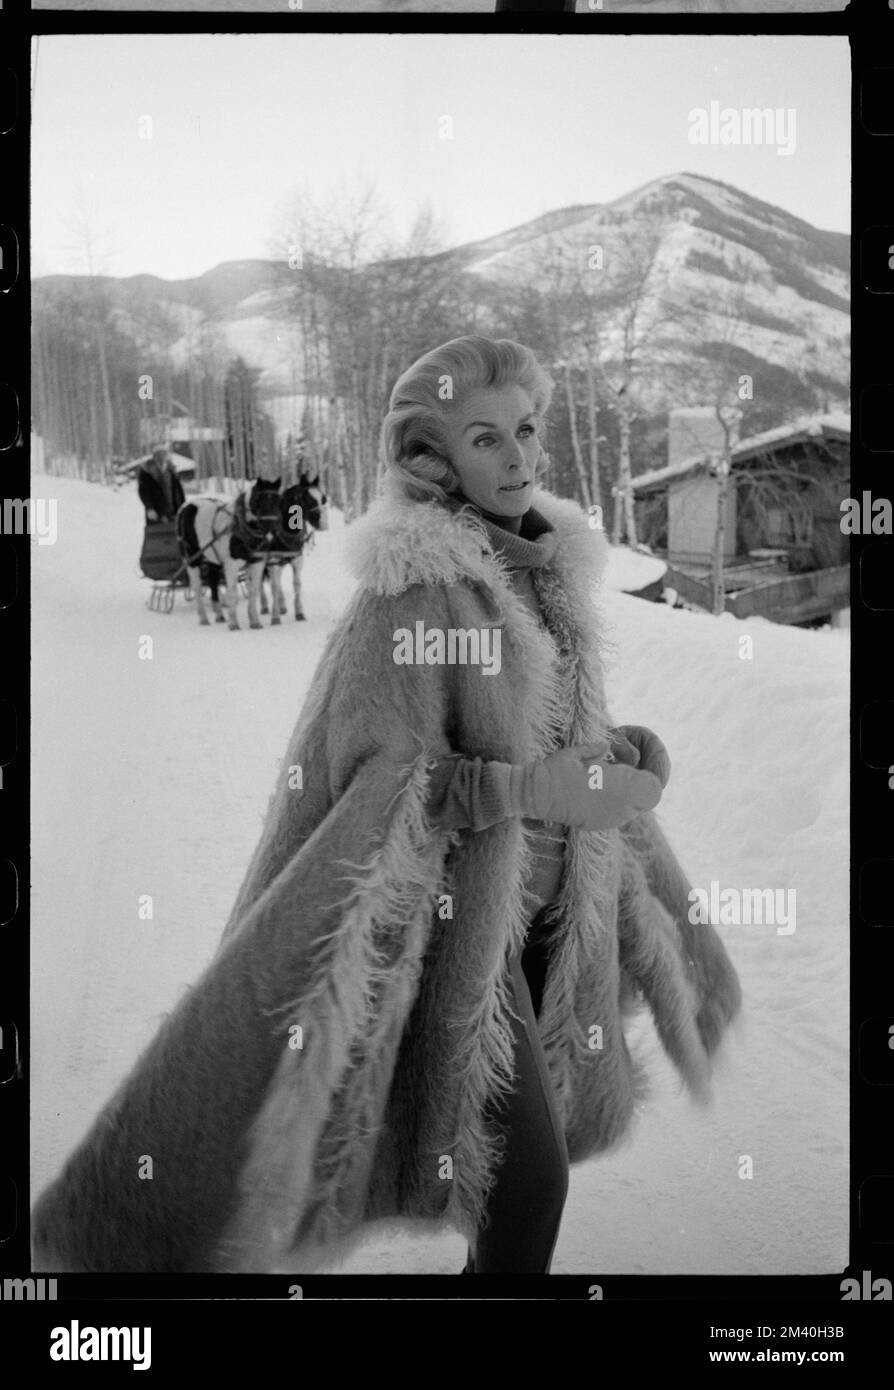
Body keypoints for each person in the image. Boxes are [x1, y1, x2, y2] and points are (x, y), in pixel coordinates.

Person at [31, 337, 740, 1276]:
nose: (520, 457)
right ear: (429, 459)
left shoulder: (546, 573)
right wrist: (527, 789)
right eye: (485, 439)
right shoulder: (409, 598)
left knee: (520, 1175)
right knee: (532, 1187)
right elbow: (385, 785)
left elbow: (555, 737)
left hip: (547, 914)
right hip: (458, 937)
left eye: (526, 430)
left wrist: (613, 755)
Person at [137, 445, 185, 523]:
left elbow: (179, 491)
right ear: (154, 456)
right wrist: (150, 508)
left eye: (164, 454)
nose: (162, 456)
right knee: (156, 533)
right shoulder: (147, 470)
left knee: (175, 532)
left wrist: (183, 507)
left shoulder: (171, 469)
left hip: (174, 510)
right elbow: (143, 491)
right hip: (156, 510)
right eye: (159, 454)